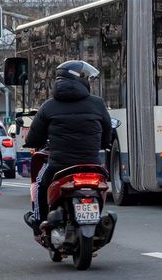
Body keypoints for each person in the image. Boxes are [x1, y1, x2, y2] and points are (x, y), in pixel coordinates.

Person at [25, 60, 112, 231]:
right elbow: (107, 132)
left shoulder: (48, 106)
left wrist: (33, 143)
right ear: (79, 79)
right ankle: (96, 217)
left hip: (59, 165)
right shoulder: (98, 103)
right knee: (102, 183)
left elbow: (33, 137)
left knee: (40, 184)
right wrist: (103, 143)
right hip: (91, 164)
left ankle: (39, 222)